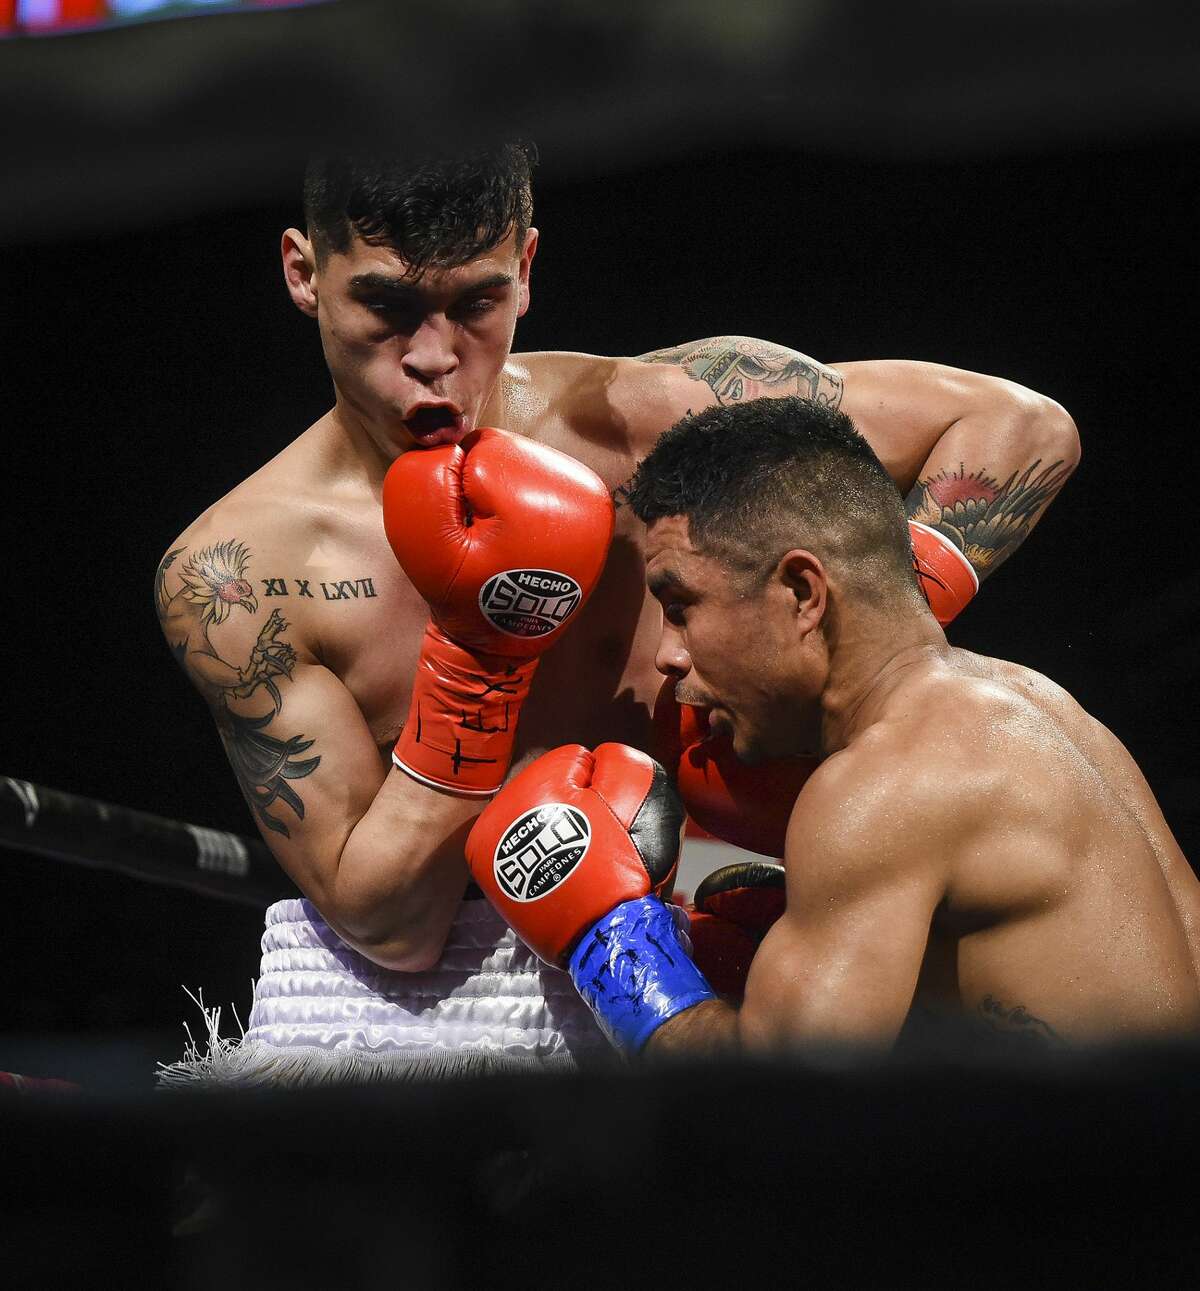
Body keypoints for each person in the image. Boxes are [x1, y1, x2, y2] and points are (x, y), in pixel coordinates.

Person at [155, 143, 1080, 1083]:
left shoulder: (643, 419)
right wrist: (479, 656)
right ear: (303, 272)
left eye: (475, 304)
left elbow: (1019, 429)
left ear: (525, 270)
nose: (433, 357)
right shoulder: (240, 576)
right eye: (387, 307)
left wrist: (841, 659)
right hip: (416, 1018)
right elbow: (395, 926)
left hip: (696, 958)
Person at [465, 396, 1199, 1057]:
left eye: (681, 606)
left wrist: (617, 944)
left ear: (802, 592)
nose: (668, 656)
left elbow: (768, 1118)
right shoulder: (1044, 706)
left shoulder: (883, 787)